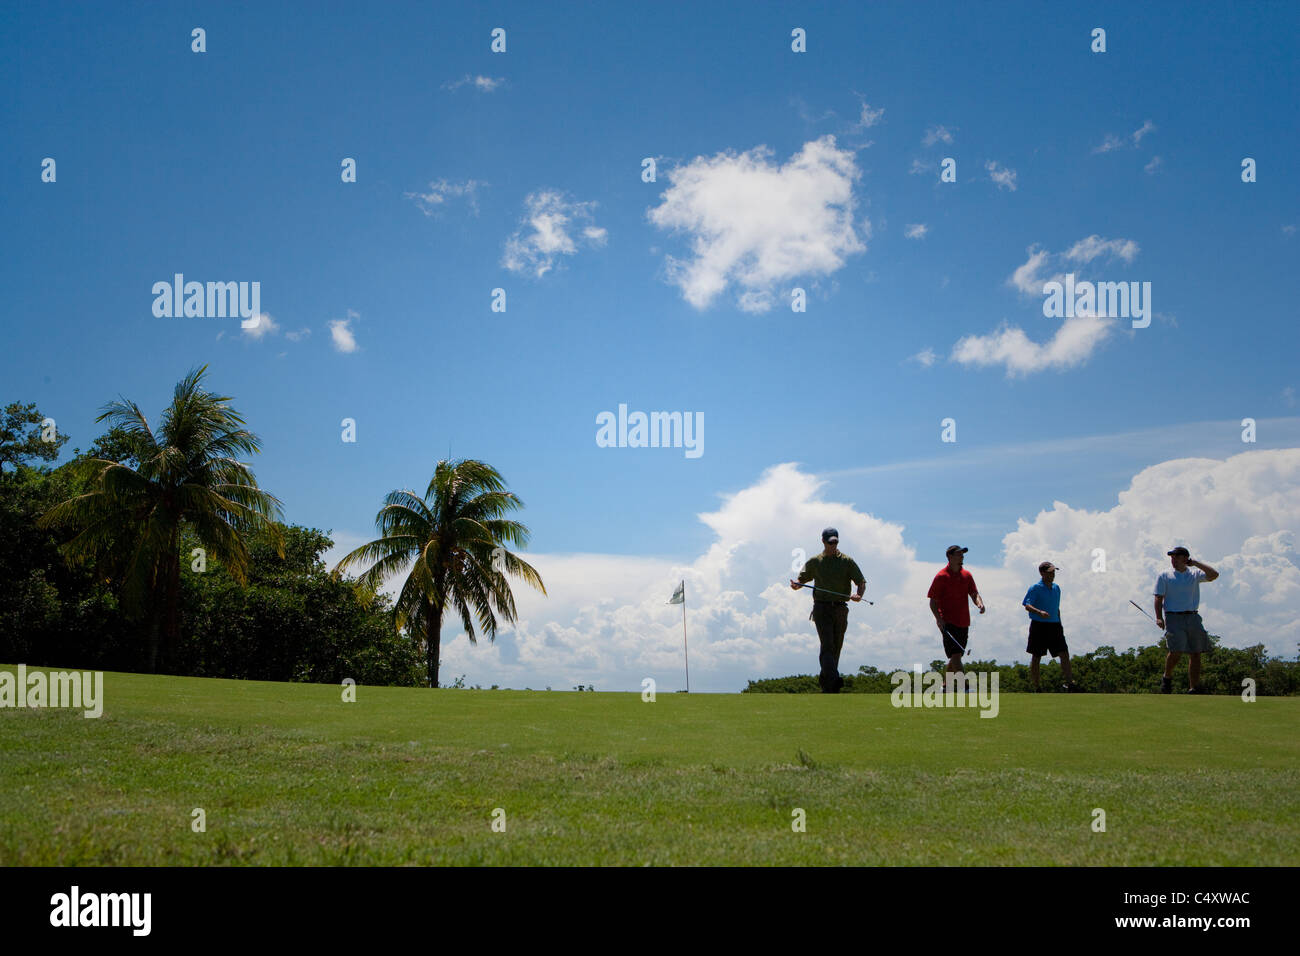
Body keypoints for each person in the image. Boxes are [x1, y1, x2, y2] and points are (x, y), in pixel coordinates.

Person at [790, 527, 866, 693]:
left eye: (835, 542)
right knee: (827, 645)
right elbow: (800, 580)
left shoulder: (847, 561)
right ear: (823, 542)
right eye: (830, 542)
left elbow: (861, 582)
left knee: (836, 647)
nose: (833, 545)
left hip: (840, 609)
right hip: (821, 608)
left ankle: (828, 685)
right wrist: (796, 585)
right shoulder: (815, 562)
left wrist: (858, 595)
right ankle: (834, 680)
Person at [1153, 546, 1219, 694]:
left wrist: (1195, 563)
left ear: (1185, 558)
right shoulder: (1164, 575)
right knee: (1176, 651)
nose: (1173, 560)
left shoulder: (1195, 573)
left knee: (1195, 652)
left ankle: (1193, 687)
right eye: (1172, 557)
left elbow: (1214, 574)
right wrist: (1159, 617)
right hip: (1173, 617)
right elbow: (1158, 597)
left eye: (1176, 557)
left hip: (1193, 616)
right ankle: (1167, 677)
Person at [927, 545, 984, 679]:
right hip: (947, 621)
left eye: (962, 554)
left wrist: (979, 603)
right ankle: (964, 686)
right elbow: (933, 602)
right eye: (959, 554)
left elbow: (974, 593)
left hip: (964, 621)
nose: (962, 556)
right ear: (949, 556)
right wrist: (939, 619)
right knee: (956, 654)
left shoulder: (967, 575)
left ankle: (946, 685)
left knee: (955, 657)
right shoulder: (941, 576)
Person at [1022, 561, 1080, 692]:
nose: (1053, 574)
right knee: (1037, 656)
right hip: (1039, 625)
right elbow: (1027, 605)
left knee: (1064, 653)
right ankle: (1037, 687)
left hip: (1055, 625)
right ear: (1042, 573)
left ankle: (1070, 683)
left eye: (1054, 572)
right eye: (1050, 572)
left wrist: (1059, 622)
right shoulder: (1035, 587)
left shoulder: (1056, 588)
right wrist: (1039, 612)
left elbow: (1056, 608)